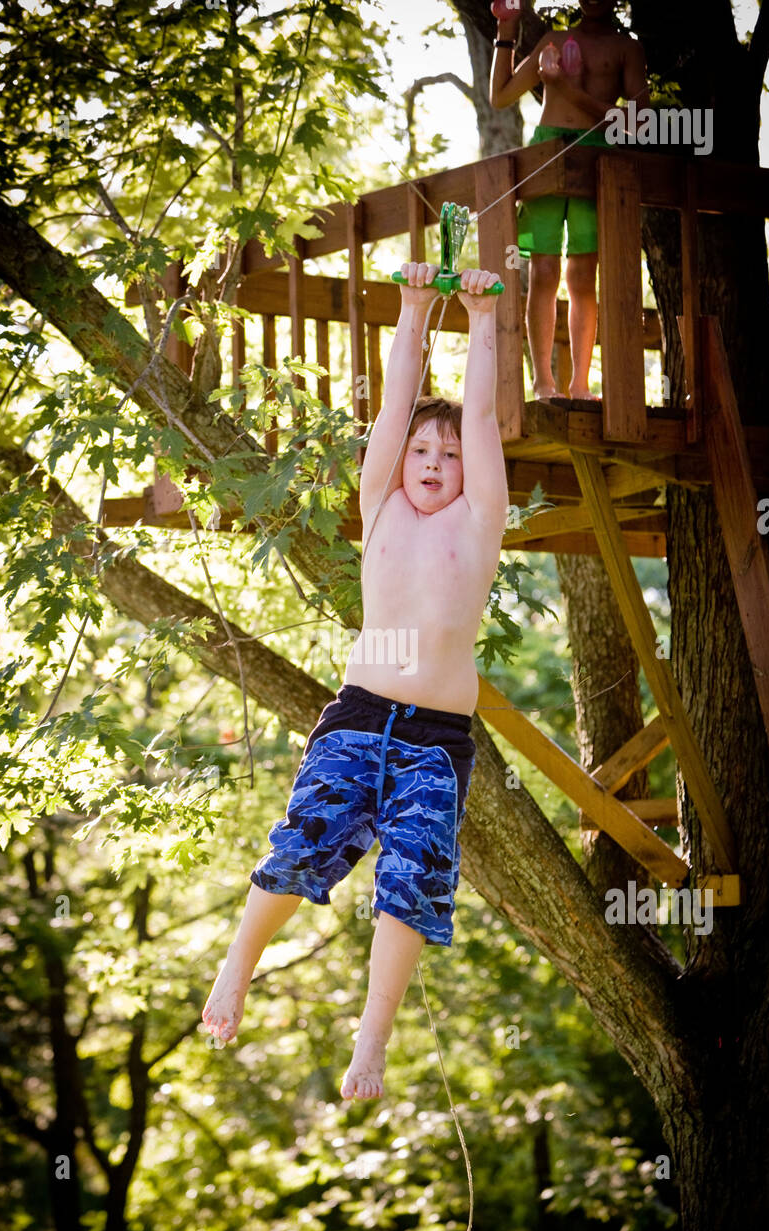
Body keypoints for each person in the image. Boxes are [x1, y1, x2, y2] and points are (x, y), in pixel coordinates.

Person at [203, 262, 507, 1100]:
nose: (436, 459)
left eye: (448, 454)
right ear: (399, 463)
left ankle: (370, 1044)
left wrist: (482, 320)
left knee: (411, 884)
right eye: (422, 450)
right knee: (303, 847)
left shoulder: (480, 524)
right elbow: (394, 407)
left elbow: (476, 413)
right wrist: (413, 311)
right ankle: (237, 968)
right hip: (360, 718)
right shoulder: (380, 506)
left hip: (436, 746)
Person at [489, 0, 649, 400]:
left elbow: (640, 123)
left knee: (583, 276)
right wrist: (506, 33)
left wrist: (564, 89)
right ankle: (543, 382)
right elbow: (501, 96)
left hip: (598, 158)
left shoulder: (626, 48)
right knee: (543, 271)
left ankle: (580, 384)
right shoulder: (554, 41)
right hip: (546, 151)